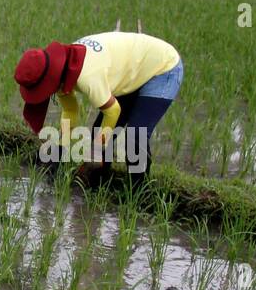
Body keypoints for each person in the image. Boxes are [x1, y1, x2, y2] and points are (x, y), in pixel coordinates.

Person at [15, 31, 183, 186]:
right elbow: (71, 112)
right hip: (131, 71)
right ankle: (98, 183)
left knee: (135, 135)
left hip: (163, 67)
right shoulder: (61, 70)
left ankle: (138, 197)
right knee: (100, 132)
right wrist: (60, 148)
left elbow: (113, 111)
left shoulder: (87, 76)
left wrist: (96, 151)